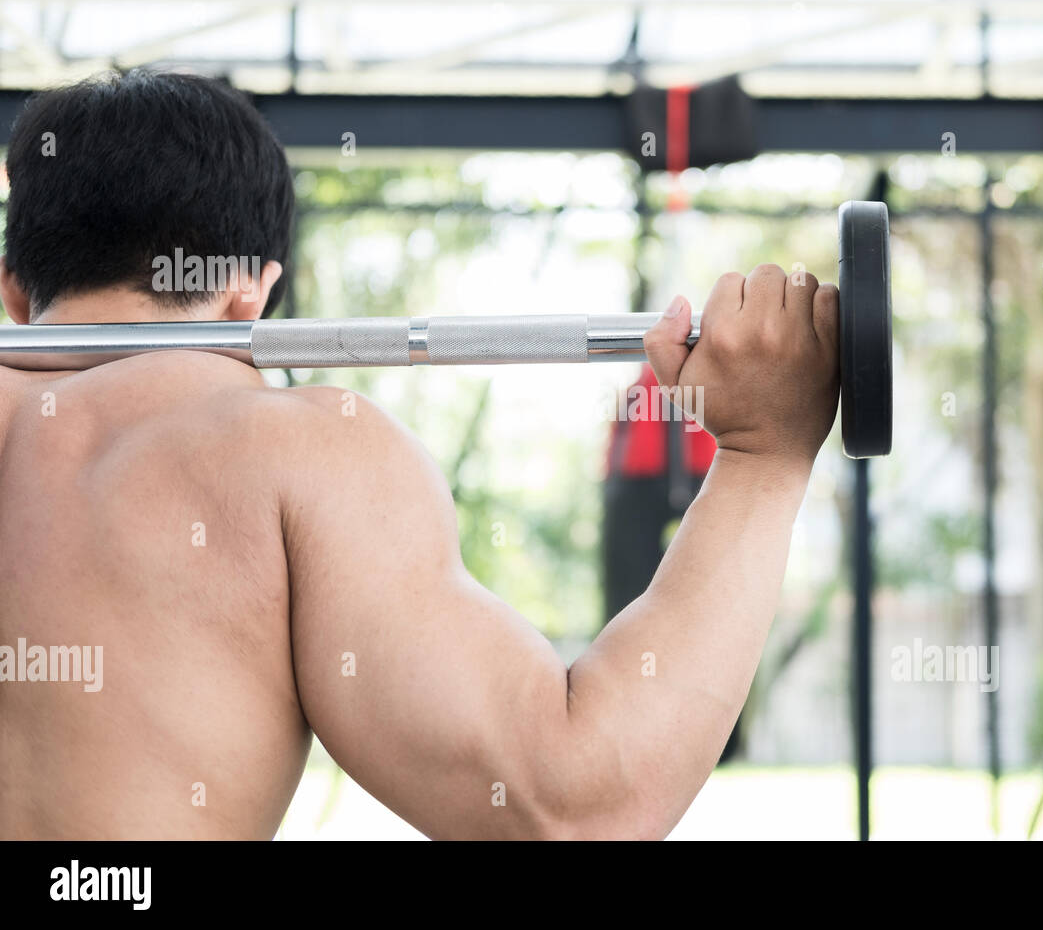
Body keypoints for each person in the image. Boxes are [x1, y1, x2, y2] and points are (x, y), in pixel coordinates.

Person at [0, 70, 839, 839]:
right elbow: (570, 809)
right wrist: (763, 456)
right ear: (251, 290)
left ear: (12, 288)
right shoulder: (296, 452)